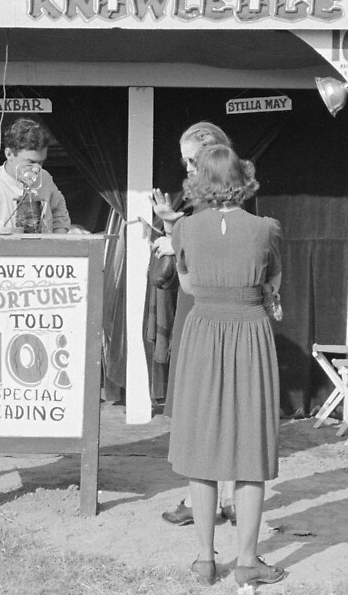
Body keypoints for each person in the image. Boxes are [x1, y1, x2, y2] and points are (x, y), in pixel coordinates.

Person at [153, 144, 286, 587]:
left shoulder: (185, 230)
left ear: (199, 185)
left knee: (202, 448)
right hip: (250, 333)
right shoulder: (267, 229)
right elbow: (273, 282)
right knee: (251, 450)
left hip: (203, 334)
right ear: (243, 180)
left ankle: (205, 561)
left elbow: (187, 286)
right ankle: (247, 560)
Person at [153, 122, 237, 528]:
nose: (187, 167)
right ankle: (229, 497)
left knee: (201, 405)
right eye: (184, 160)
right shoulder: (223, 202)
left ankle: (199, 500)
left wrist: (175, 236)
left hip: (202, 308)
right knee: (224, 404)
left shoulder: (209, 206)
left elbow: (200, 259)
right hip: (224, 310)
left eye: (192, 159)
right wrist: (173, 225)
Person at [0, 117, 71, 234]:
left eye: (41, 162)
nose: (37, 169)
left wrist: (58, 238)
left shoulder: (45, 178)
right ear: (9, 154)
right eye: (30, 162)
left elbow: (59, 210)